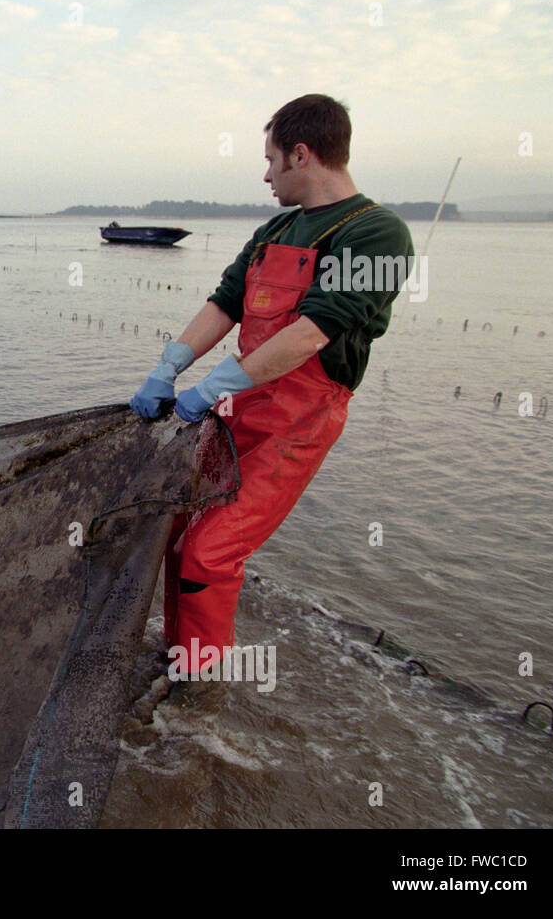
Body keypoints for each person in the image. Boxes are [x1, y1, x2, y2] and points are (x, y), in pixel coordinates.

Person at [129, 94, 413, 676]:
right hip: (237, 409)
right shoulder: (276, 227)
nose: (266, 174)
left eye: (271, 159)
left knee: (210, 552)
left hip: (298, 420)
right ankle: (179, 658)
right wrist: (169, 365)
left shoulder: (378, 233)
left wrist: (209, 387)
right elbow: (225, 302)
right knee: (176, 530)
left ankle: (200, 687)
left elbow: (313, 334)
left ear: (301, 154)